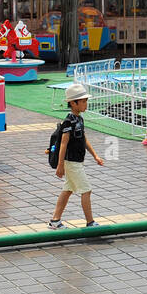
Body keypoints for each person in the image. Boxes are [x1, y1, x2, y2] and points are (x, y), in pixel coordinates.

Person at [48, 83, 105, 229]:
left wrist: (95, 156)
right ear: (73, 103)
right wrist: (60, 165)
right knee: (86, 189)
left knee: (67, 190)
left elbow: (84, 139)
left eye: (86, 100)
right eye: (83, 101)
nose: (86, 104)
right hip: (71, 161)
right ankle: (90, 222)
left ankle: (55, 220)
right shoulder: (69, 121)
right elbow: (63, 144)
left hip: (77, 161)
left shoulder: (79, 119)